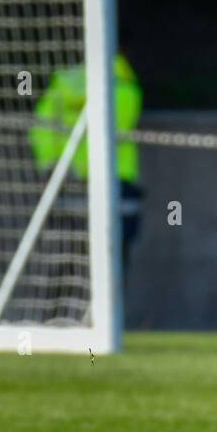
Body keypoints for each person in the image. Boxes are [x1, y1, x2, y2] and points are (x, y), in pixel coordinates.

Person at [30, 53, 144, 277]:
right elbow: (120, 123)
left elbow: (40, 128)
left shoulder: (62, 85)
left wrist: (50, 163)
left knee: (67, 259)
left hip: (66, 178)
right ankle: (104, 309)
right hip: (116, 180)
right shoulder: (125, 87)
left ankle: (68, 309)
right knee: (115, 259)